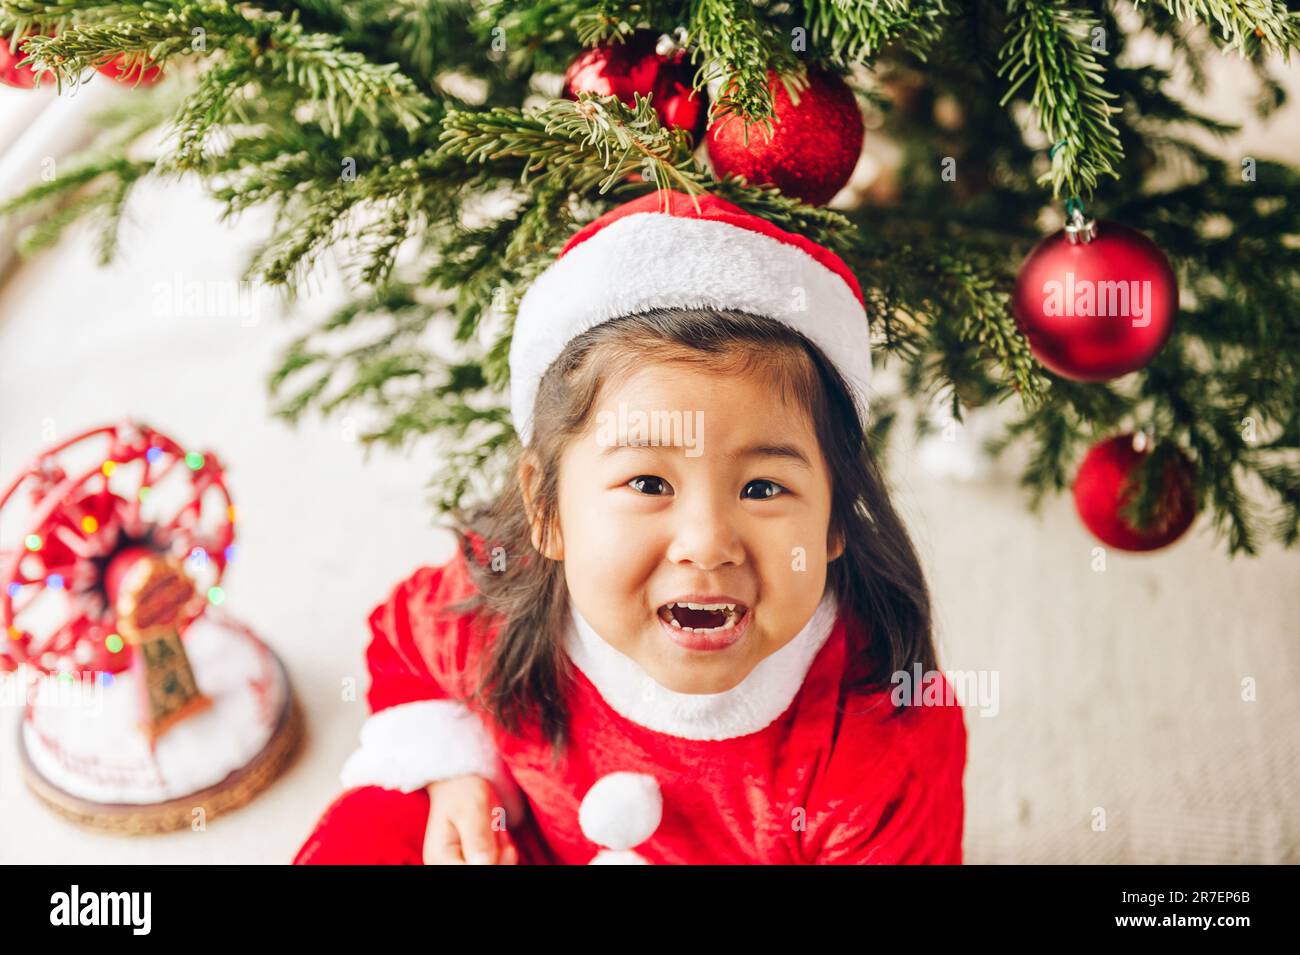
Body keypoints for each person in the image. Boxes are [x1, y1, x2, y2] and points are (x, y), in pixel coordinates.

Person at [293, 189, 966, 865]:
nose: (707, 542)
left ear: (834, 517)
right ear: (547, 509)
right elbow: (406, 646)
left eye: (763, 488)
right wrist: (457, 774)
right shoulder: (497, 601)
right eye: (648, 484)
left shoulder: (880, 737)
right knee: (370, 827)